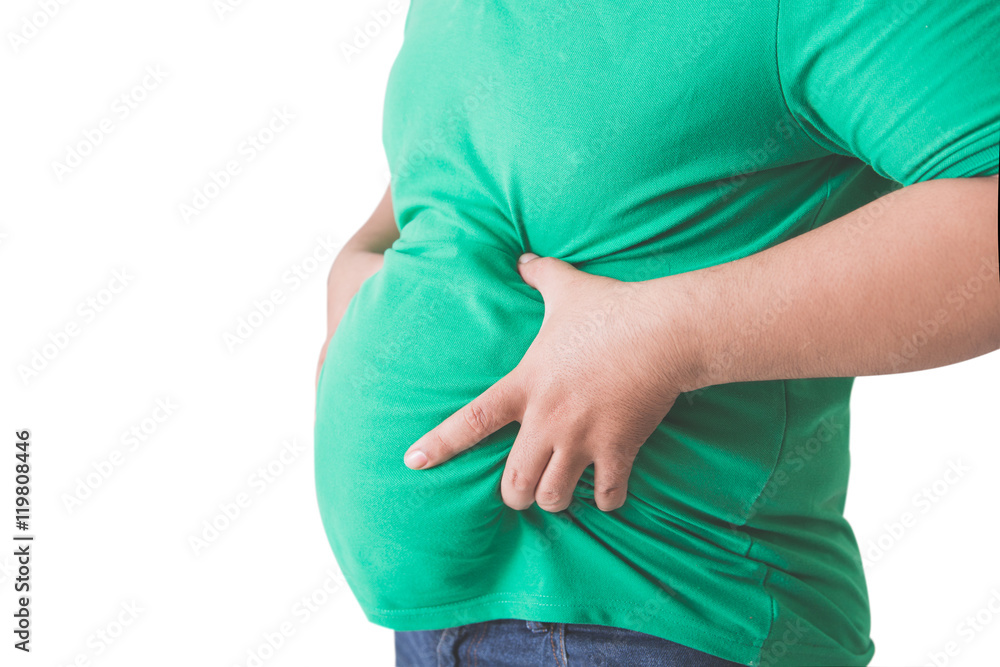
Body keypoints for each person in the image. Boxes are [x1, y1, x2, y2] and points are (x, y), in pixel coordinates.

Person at [314, 2, 999, 665]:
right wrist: (361, 261)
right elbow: (449, 170)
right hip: (437, 618)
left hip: (656, 613)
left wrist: (669, 336)